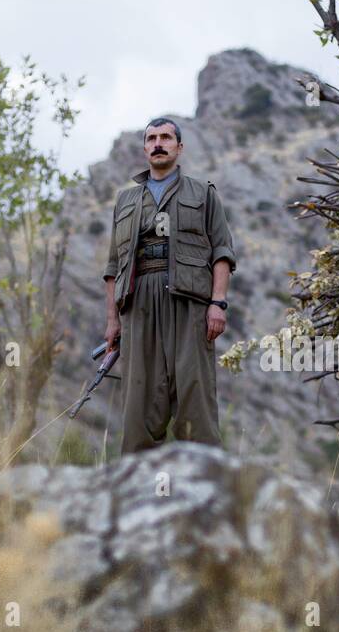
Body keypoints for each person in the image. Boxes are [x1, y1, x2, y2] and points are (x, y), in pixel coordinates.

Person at [101, 117, 237, 453]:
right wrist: (113, 320)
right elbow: (112, 266)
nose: (158, 143)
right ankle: (138, 491)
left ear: (179, 147)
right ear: (145, 147)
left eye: (166, 137)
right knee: (139, 403)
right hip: (138, 303)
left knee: (195, 401)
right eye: (151, 138)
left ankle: (205, 489)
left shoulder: (203, 193)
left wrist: (217, 303)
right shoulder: (125, 200)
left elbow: (222, 251)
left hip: (189, 303)